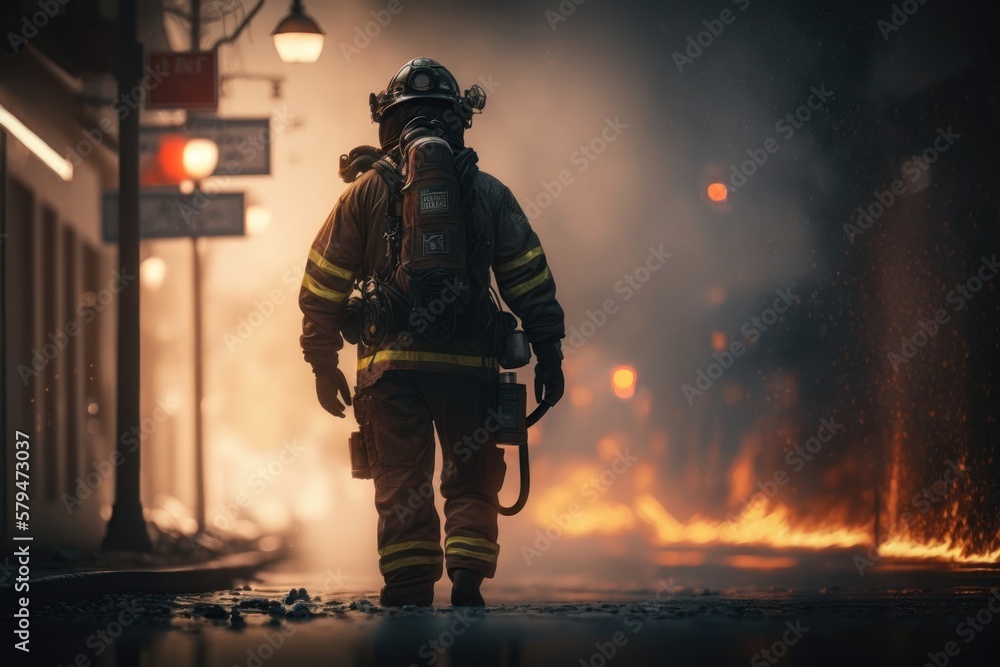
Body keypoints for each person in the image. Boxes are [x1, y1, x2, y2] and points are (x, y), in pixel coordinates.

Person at [299, 57, 565, 607]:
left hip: (389, 372)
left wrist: (322, 361)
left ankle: (409, 586)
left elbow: (323, 284)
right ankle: (466, 576)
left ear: (390, 124)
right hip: (471, 371)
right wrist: (549, 352)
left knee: (401, 481)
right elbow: (528, 278)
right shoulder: (490, 194)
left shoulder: (363, 193)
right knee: (471, 478)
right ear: (458, 121)